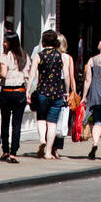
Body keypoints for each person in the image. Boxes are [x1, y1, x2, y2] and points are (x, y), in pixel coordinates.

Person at [26, 29, 66, 159]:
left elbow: (32, 74)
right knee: (52, 123)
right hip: (57, 93)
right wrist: (66, 91)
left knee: (41, 118)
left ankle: (42, 139)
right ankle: (48, 152)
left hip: (42, 92)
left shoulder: (39, 55)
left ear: (43, 42)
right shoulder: (60, 56)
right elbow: (64, 75)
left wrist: (28, 90)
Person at [0, 32, 29, 163]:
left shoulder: (5, 57)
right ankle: (14, 152)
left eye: (5, 41)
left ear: (11, 43)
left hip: (7, 91)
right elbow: (27, 76)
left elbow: (3, 74)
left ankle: (5, 150)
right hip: (20, 91)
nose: (4, 43)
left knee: (5, 122)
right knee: (17, 124)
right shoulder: (25, 56)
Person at [52, 34, 77, 158]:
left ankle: (48, 145)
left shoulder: (51, 56)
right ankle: (56, 149)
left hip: (51, 86)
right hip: (63, 88)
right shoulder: (68, 58)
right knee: (61, 118)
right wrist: (73, 90)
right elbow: (71, 76)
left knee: (51, 117)